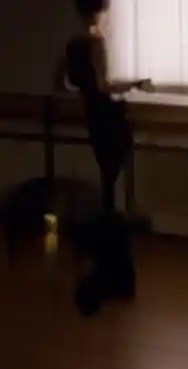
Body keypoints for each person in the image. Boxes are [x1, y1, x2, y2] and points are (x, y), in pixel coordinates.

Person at [56, 0, 151, 315]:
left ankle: (107, 266)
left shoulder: (70, 44)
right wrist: (135, 84)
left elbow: (65, 83)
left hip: (92, 120)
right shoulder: (96, 43)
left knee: (108, 188)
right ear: (101, 10)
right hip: (109, 120)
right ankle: (115, 272)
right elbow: (104, 85)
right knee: (113, 190)